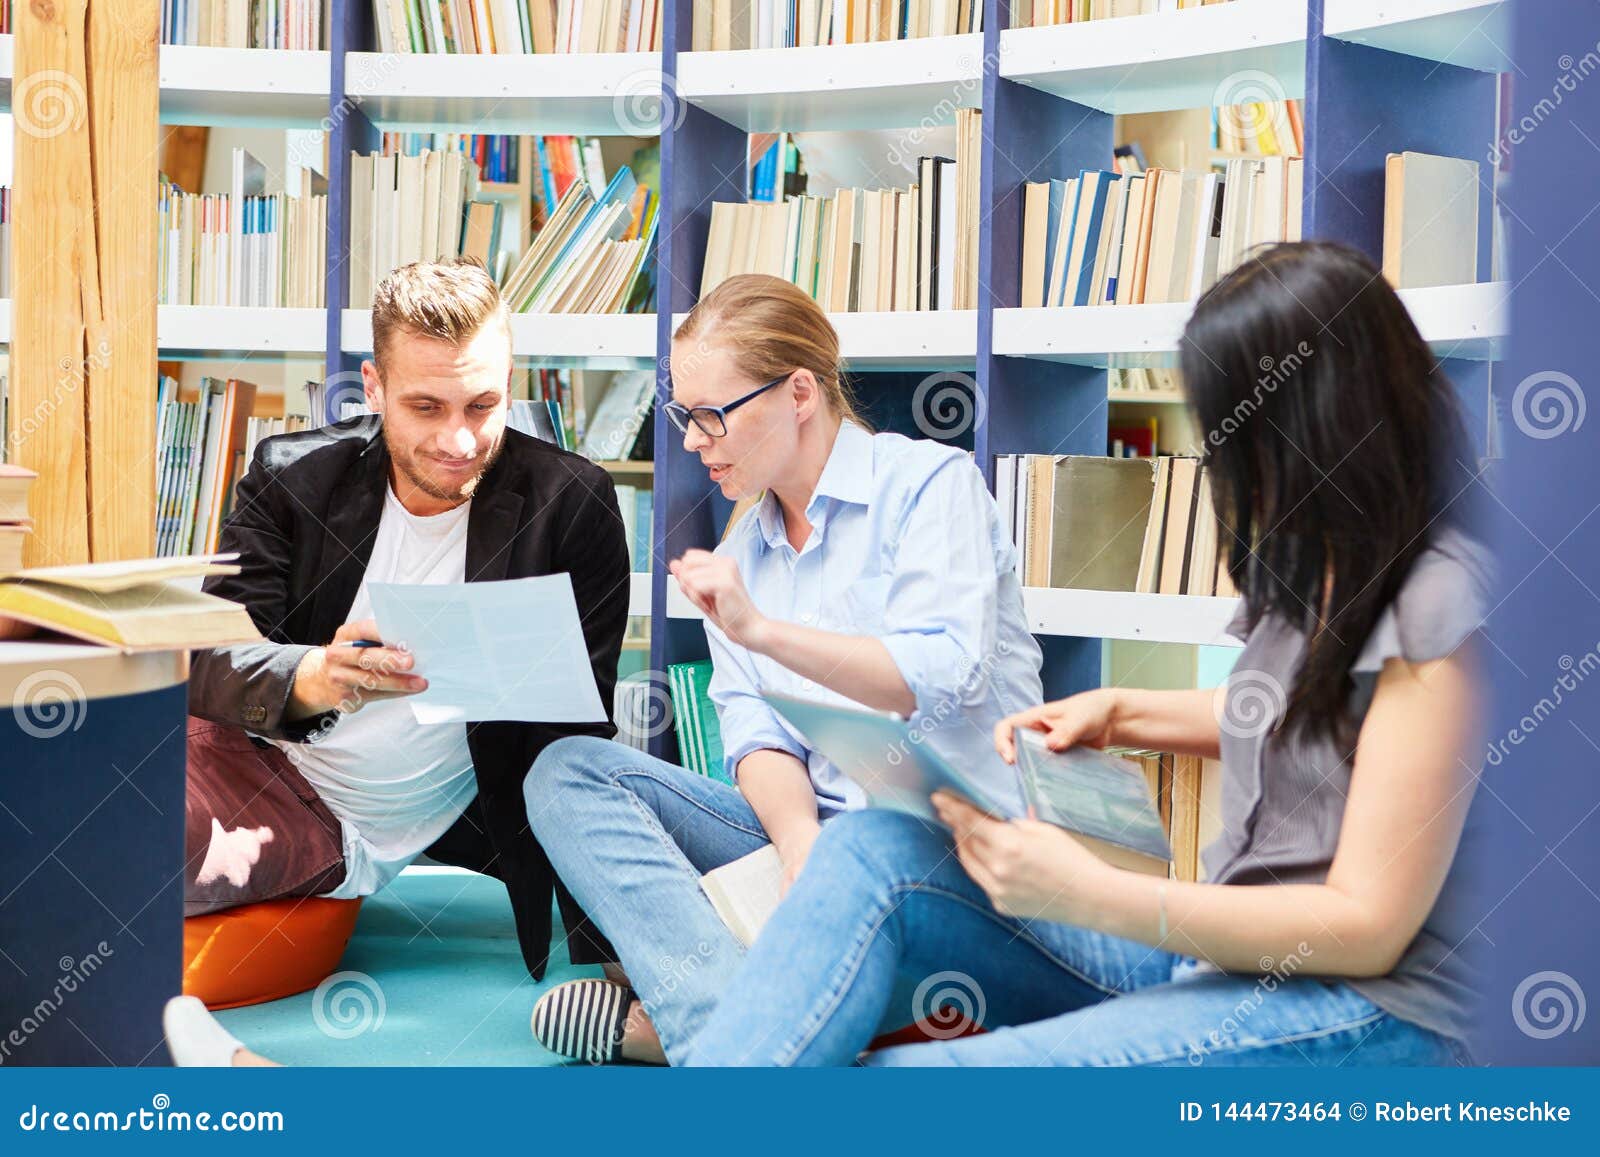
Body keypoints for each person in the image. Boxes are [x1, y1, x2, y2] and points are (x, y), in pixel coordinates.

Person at [683, 241, 1492, 1066]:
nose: (1222, 459)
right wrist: (1126, 709)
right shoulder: (1326, 569)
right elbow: (1313, 711)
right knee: (868, 849)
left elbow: (1365, 927)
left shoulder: (1439, 609)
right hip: (1225, 964)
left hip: (1362, 1011)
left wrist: (1091, 892)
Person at [521, 273, 1045, 1064]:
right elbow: (754, 733)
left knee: (862, 878)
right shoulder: (741, 555)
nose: (694, 439)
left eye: (710, 415)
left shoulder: (933, 488)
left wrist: (762, 632)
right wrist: (800, 842)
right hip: (811, 852)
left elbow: (935, 675)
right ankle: (734, 1009)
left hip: (949, 857)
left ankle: (704, 1026)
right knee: (564, 773)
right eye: (682, 416)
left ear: (799, 392)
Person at [183, 258, 631, 986]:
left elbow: (576, 736)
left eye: (482, 405)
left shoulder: (570, 506)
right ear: (374, 387)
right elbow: (206, 653)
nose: (458, 442)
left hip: (325, 816)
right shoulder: (293, 476)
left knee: (128, 844)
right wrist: (317, 676)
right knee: (51, 787)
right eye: (426, 407)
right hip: (231, 747)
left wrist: (613, 956)